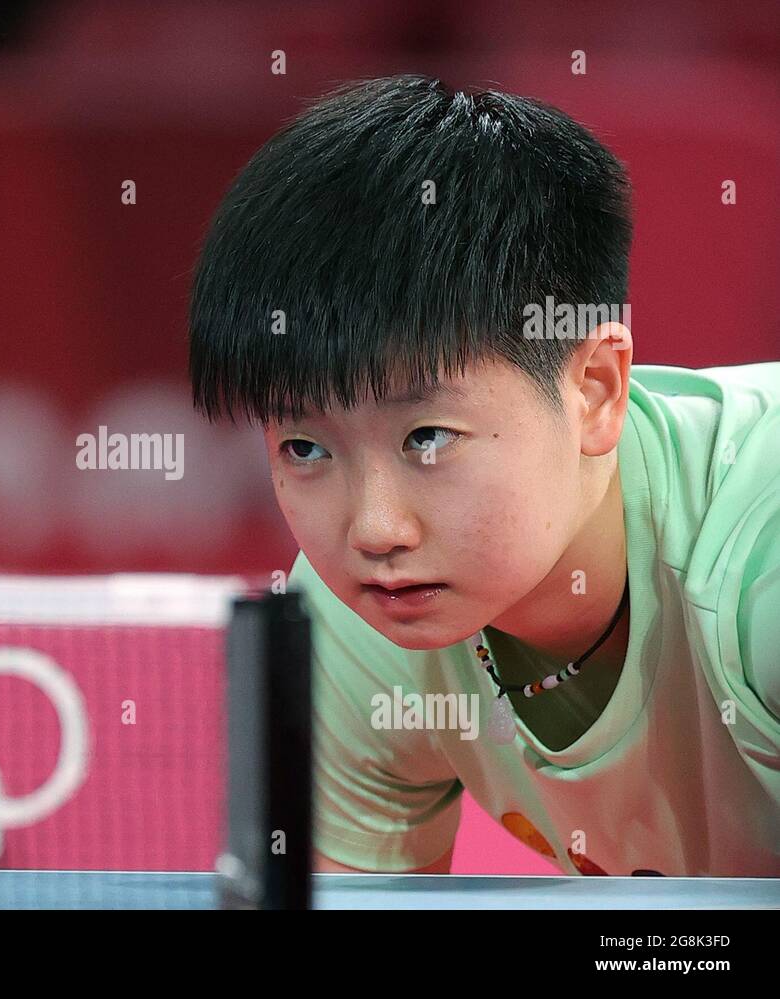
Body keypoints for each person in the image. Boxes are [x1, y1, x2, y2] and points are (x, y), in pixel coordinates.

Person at [188, 75, 779, 876]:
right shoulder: (348, 630)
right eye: (305, 448)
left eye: (427, 435)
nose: (374, 531)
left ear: (594, 389)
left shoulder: (758, 573)